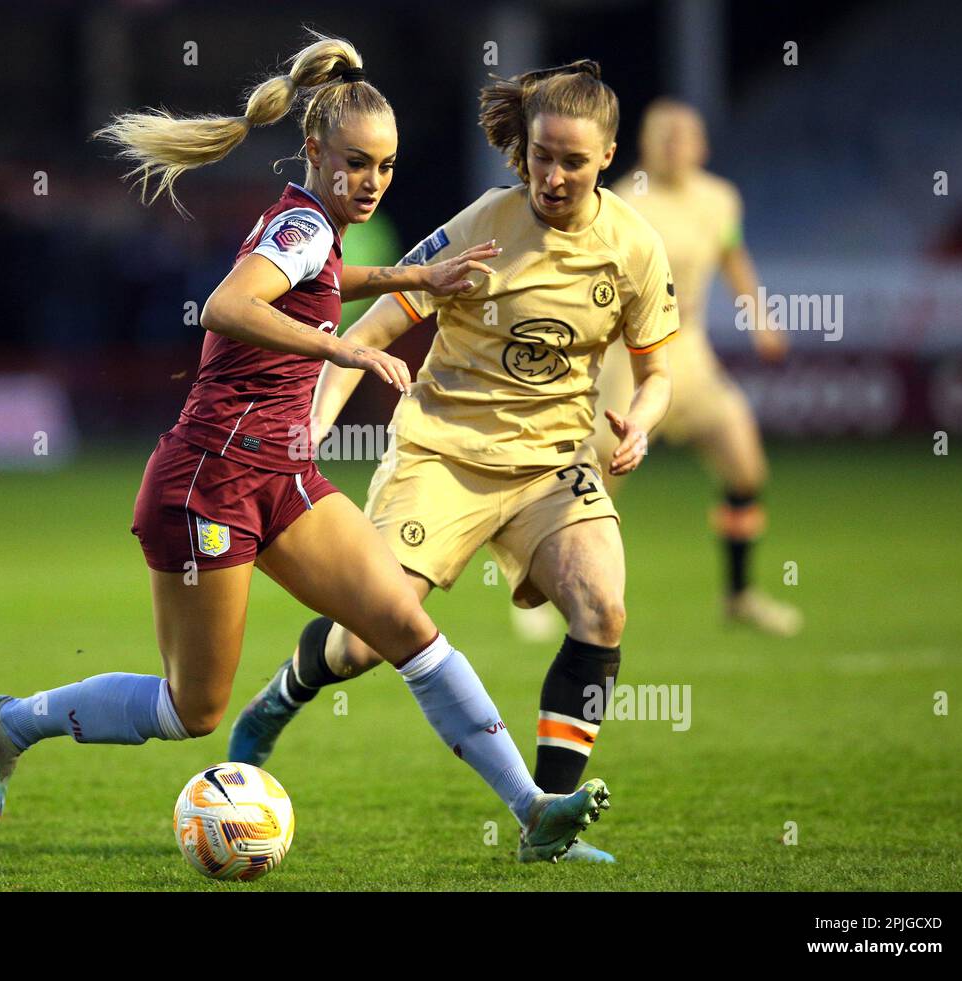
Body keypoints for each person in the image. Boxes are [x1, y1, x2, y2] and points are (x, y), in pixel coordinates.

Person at [0, 34, 609, 864]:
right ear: (312, 151)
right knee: (193, 709)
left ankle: (532, 808)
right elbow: (226, 308)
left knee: (406, 626)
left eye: (386, 167)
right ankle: (9, 723)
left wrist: (413, 280)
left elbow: (321, 281)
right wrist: (336, 348)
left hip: (281, 475)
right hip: (211, 481)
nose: (371, 182)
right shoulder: (305, 225)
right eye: (357, 163)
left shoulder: (316, 229)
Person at [228, 60, 676, 863]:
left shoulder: (636, 250)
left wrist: (640, 423)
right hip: (443, 453)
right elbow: (364, 335)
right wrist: (313, 424)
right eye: (542, 154)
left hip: (552, 465)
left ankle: (547, 818)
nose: (554, 174)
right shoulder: (483, 227)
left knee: (602, 609)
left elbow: (658, 372)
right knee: (366, 638)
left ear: (608, 156)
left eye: (573, 160)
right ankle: (279, 697)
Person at [516, 98, 801, 642]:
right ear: (644, 144)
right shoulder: (624, 199)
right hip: (629, 356)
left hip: (689, 355)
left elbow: (732, 256)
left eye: (684, 135)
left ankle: (739, 596)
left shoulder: (720, 200)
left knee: (745, 466)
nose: (674, 144)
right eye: (663, 135)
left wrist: (761, 318)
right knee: (597, 479)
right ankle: (540, 588)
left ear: (702, 144)